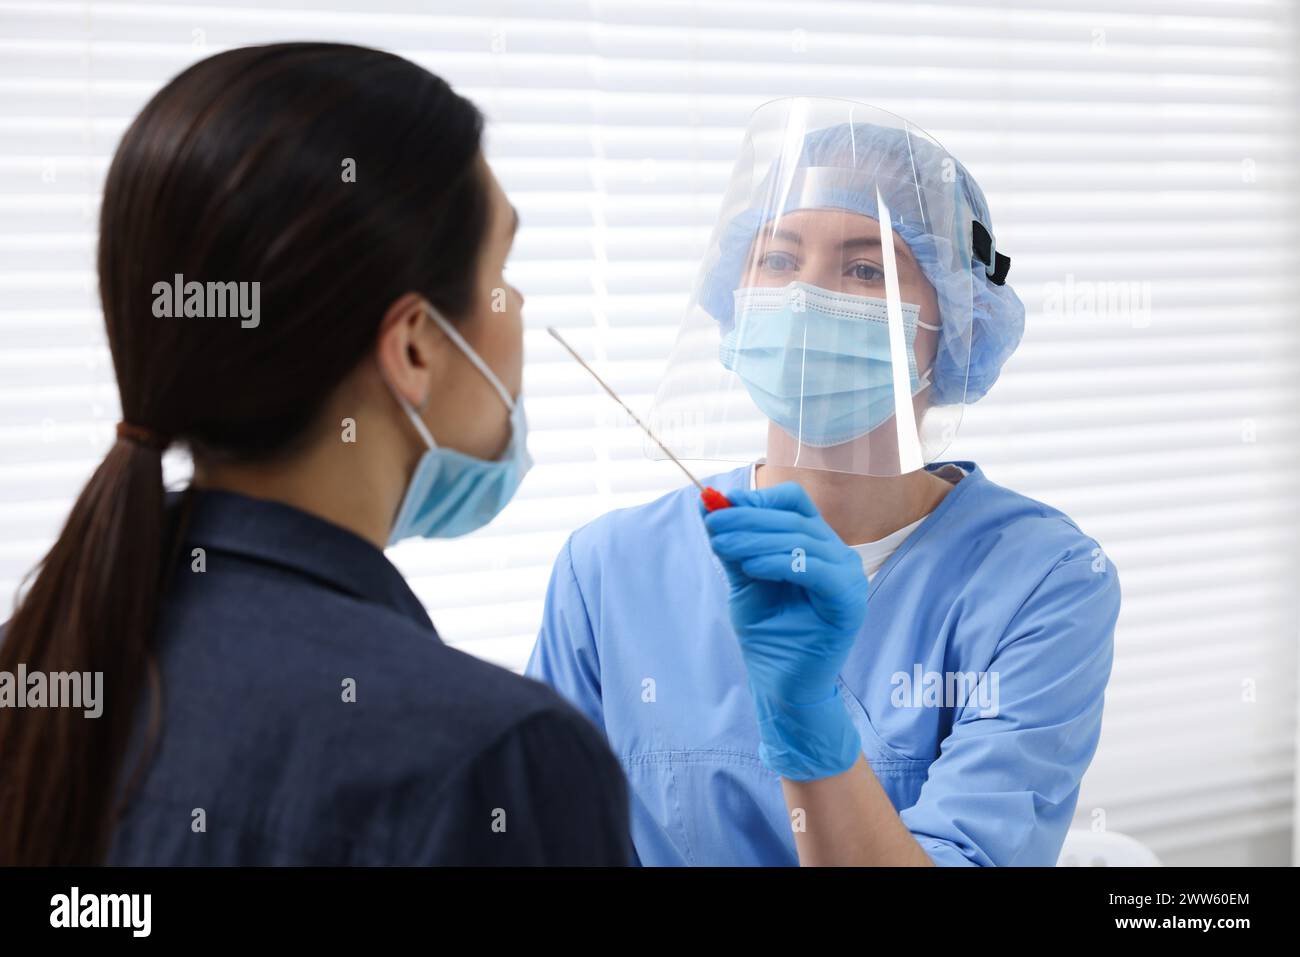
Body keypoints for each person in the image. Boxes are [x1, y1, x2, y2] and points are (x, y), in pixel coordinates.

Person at [0, 43, 633, 866]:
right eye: (501, 272)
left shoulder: (47, 674)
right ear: (414, 347)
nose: (519, 308)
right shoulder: (493, 760)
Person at [527, 98, 1121, 866]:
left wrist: (807, 715)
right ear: (734, 300)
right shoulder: (610, 568)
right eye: (777, 258)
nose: (808, 294)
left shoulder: (1043, 581)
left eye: (865, 266)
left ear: (959, 321)